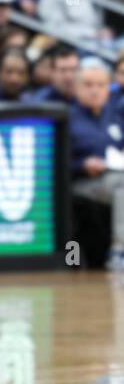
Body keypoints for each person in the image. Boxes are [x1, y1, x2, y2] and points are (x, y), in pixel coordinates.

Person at [67, 60, 124, 270]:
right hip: (80, 182)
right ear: (77, 88)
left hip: (112, 176)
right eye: (88, 85)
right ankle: (120, 251)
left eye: (100, 85)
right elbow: (57, 164)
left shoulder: (115, 117)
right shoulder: (68, 118)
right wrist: (83, 164)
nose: (95, 91)